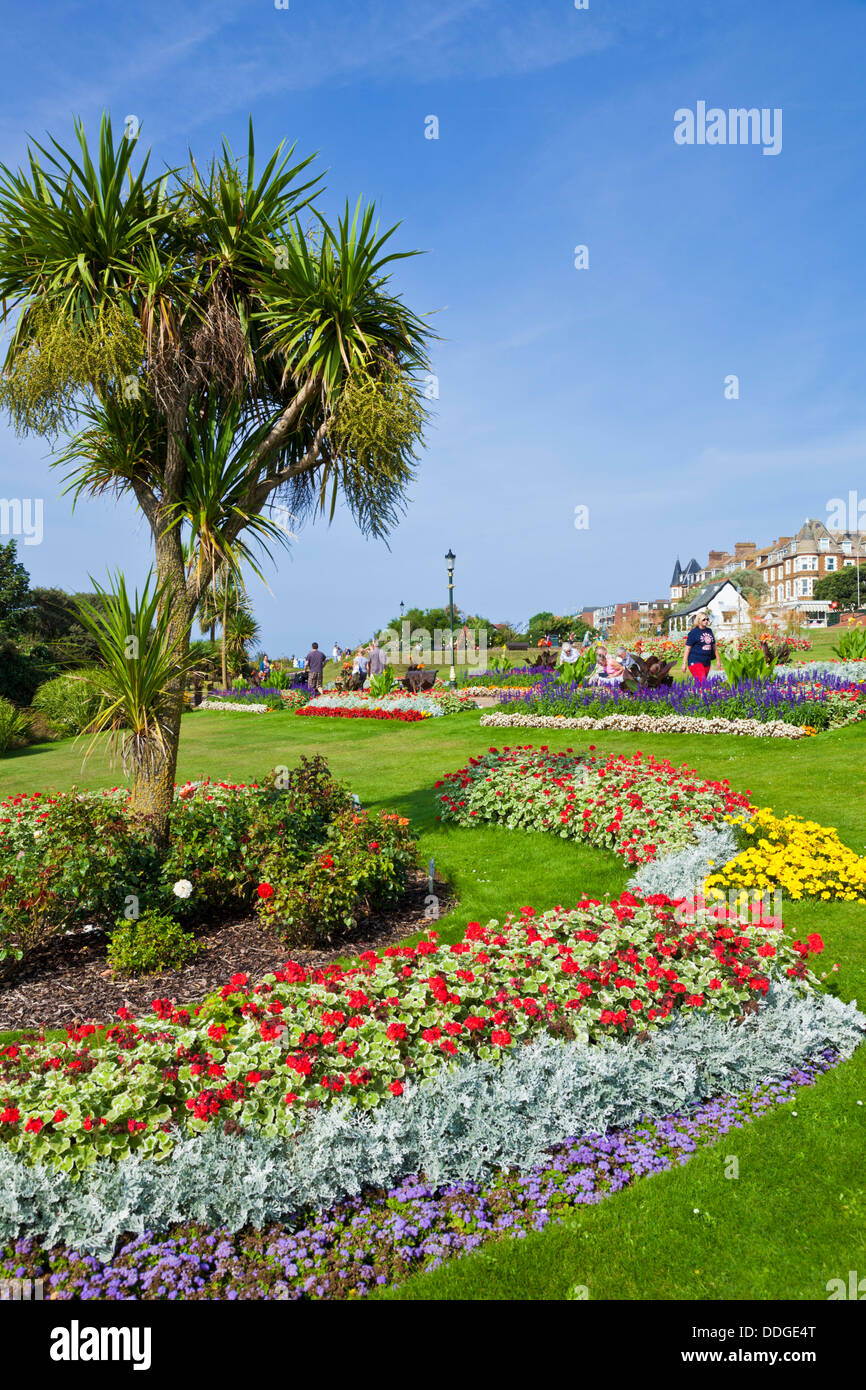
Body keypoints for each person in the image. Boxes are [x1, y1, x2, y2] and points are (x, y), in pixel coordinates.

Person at [682, 611, 716, 683]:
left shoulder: (709, 631)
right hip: (695, 661)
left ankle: (694, 694)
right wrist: (684, 663)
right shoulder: (693, 633)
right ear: (698, 621)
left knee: (700, 684)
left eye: (707, 619)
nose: (706, 621)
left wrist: (718, 660)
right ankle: (707, 693)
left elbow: (714, 646)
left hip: (706, 661)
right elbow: (687, 648)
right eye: (704, 619)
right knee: (703, 682)